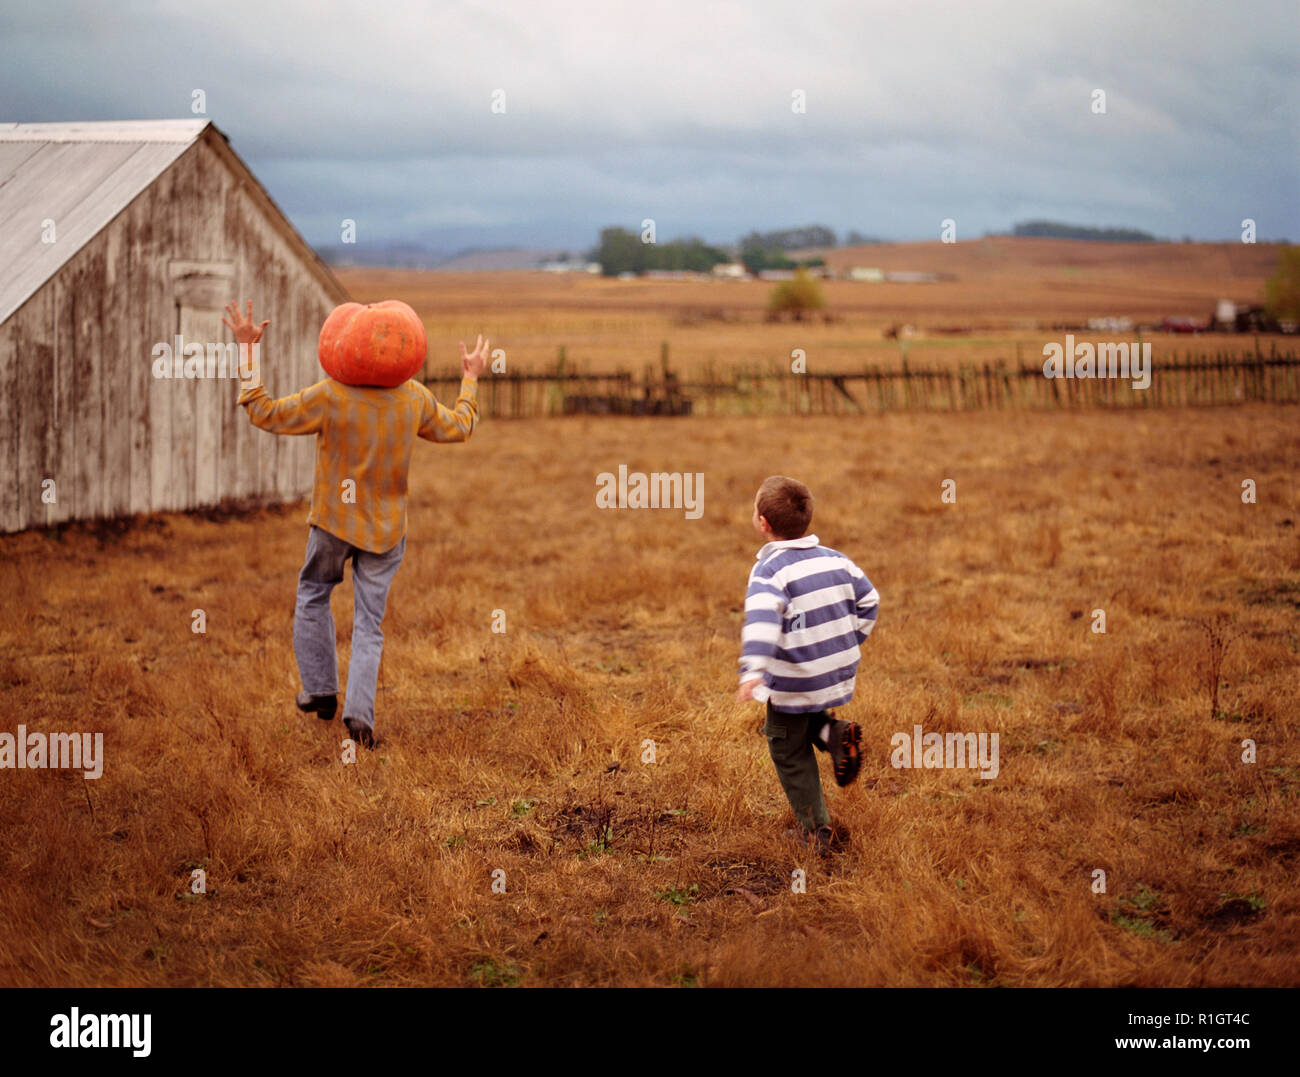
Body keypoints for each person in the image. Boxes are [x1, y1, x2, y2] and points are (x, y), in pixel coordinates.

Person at [222, 300, 487, 748]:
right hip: (386, 530)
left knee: (313, 594)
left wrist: (248, 351)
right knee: (370, 623)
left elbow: (263, 412)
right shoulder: (414, 398)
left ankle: (321, 689)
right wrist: (471, 378)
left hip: (332, 522)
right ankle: (360, 716)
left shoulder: (330, 395)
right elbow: (459, 427)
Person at [736, 475, 880, 852]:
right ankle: (835, 734)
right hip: (833, 671)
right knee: (804, 718)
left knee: (785, 743)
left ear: (762, 522)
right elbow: (870, 602)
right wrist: (848, 640)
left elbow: (763, 624)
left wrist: (752, 671)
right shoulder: (837, 560)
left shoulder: (769, 572)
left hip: (795, 677)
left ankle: (816, 830)